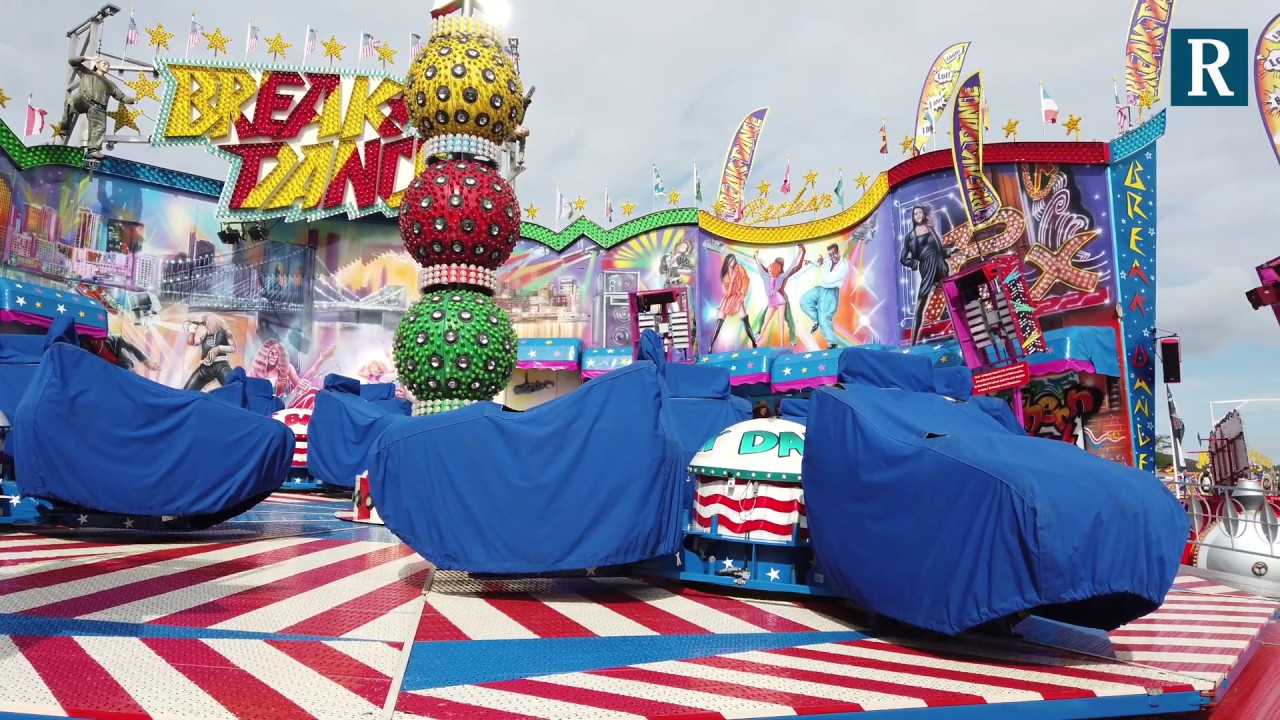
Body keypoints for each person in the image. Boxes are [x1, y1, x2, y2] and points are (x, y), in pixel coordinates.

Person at [59, 56, 137, 159]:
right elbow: (72, 61)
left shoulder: (110, 84)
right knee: (71, 101)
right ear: (97, 65)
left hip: (98, 107)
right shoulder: (87, 73)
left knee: (98, 128)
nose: (106, 66)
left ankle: (94, 150)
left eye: (108, 65)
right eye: (104, 64)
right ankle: (65, 127)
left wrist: (132, 100)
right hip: (84, 98)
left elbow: (121, 96)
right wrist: (87, 58)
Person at [900, 204, 951, 346]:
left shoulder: (931, 230)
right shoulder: (910, 237)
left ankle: (960, 329)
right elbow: (903, 258)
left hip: (940, 266)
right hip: (926, 268)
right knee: (920, 305)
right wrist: (914, 264)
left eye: (920, 213)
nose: (918, 215)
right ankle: (913, 343)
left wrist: (951, 251)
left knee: (951, 296)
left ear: (923, 214)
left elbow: (940, 251)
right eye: (915, 213)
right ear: (913, 217)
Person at [753, 245, 806, 346]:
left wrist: (801, 253)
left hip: (781, 298)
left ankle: (791, 338)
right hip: (772, 300)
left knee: (788, 319)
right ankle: (759, 333)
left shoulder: (782, 276)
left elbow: (794, 266)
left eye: (779, 264)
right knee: (763, 317)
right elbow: (761, 267)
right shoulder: (767, 274)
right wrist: (756, 257)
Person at [800, 243, 849, 349]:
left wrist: (822, 265)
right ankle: (816, 319)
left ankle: (832, 344)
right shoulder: (829, 259)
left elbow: (828, 279)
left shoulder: (843, 265)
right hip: (821, 289)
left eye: (834, 254)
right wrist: (812, 262)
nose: (832, 257)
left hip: (830, 292)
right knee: (804, 301)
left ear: (838, 252)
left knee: (824, 318)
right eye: (830, 254)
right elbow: (821, 262)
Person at [708, 254, 756, 349]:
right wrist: (733, 279)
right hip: (728, 300)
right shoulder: (725, 278)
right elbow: (727, 294)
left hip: (738, 297)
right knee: (719, 322)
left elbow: (746, 279)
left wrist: (743, 293)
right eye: (731, 259)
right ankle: (711, 346)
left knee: (745, 321)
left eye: (734, 259)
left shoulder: (739, 268)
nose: (733, 261)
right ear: (728, 262)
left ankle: (754, 342)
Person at [182, 313, 236, 391]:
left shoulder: (226, 332)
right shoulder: (204, 336)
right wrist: (193, 328)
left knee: (233, 388)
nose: (205, 325)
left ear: (211, 320)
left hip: (220, 365)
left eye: (205, 322)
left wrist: (219, 348)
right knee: (186, 392)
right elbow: (191, 342)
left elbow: (233, 348)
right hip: (204, 368)